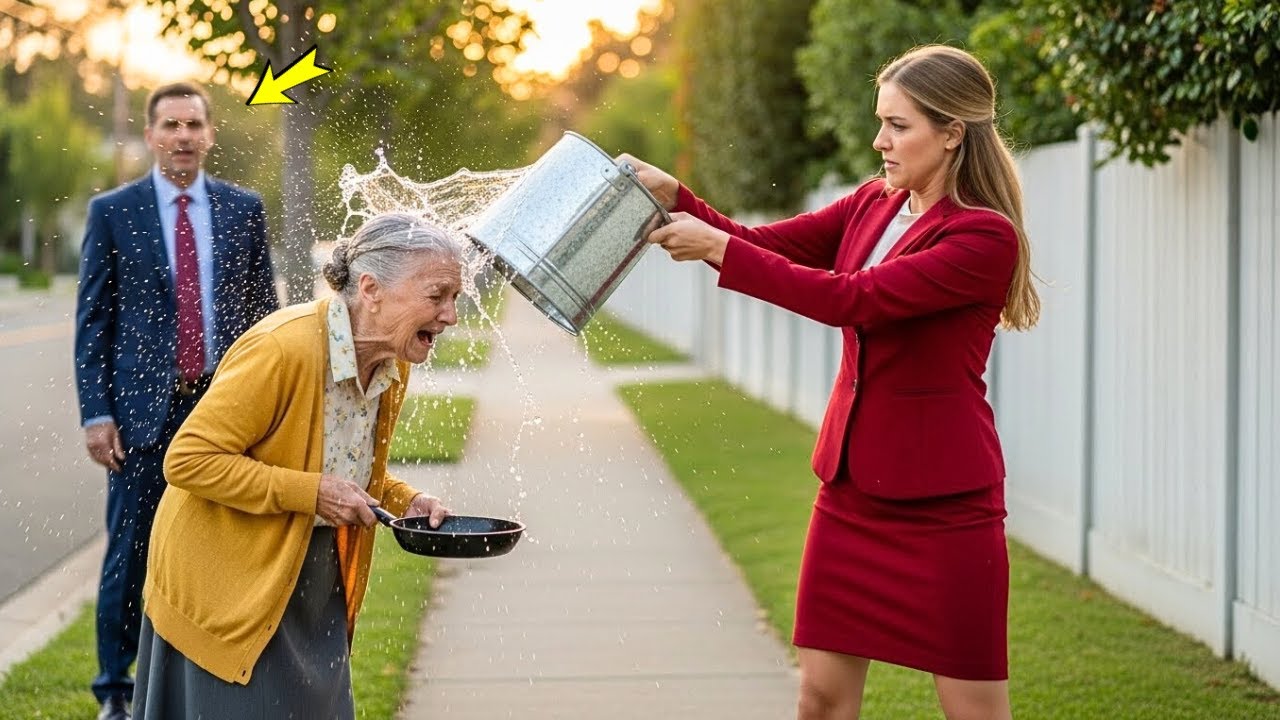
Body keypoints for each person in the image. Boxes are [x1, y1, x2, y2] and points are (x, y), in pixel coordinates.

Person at [623, 44, 1040, 719]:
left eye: (898, 126)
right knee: (819, 699)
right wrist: (681, 198)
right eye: (882, 121)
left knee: (974, 712)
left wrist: (719, 249)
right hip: (850, 494)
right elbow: (769, 247)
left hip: (946, 507)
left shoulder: (983, 239)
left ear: (953, 133)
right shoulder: (872, 204)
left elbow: (853, 299)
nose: (880, 140)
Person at [130, 211, 458, 718]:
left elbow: (340, 464)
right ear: (370, 289)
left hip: (310, 583)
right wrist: (312, 494)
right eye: (436, 296)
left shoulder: (392, 363)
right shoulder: (283, 348)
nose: (450, 316)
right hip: (229, 585)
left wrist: (402, 500)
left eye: (453, 298)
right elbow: (189, 459)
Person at [74, 81, 278, 720]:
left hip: (223, 415)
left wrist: (269, 409)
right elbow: (94, 321)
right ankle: (116, 689)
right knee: (130, 554)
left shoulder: (244, 209)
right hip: (139, 418)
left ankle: (204, 678)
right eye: (171, 126)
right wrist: (97, 413)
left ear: (211, 133)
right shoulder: (113, 211)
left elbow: (264, 318)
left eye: (194, 124)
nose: (183, 137)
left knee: (221, 550)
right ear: (151, 135)